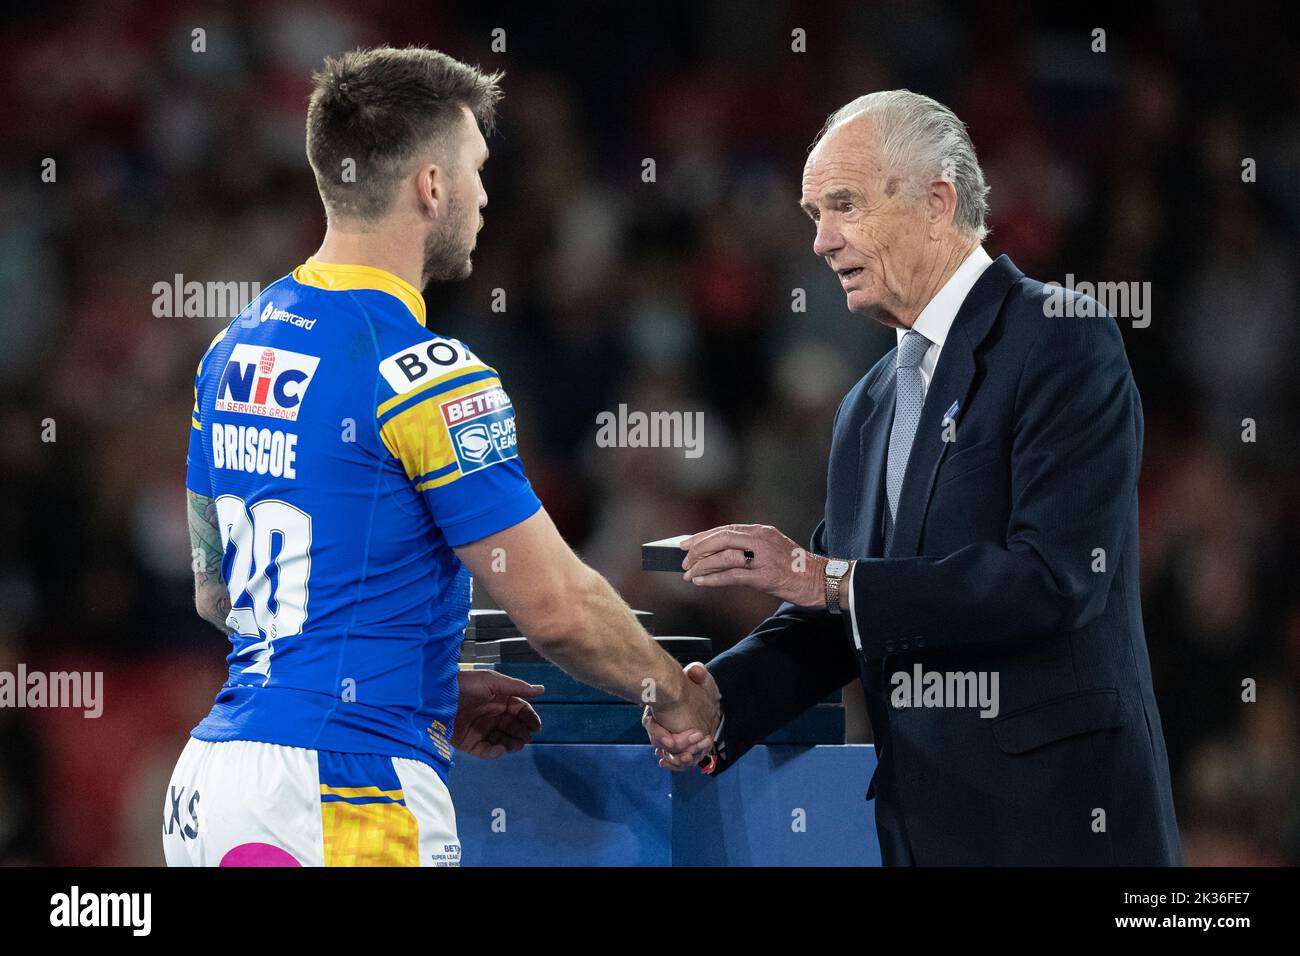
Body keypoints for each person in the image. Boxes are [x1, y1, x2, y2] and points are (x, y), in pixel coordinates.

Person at [168, 46, 717, 867]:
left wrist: (419, 684)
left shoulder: (231, 351)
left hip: (215, 787)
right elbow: (557, 609)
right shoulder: (427, 379)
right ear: (431, 184)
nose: (487, 195)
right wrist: (676, 696)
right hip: (346, 795)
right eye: (477, 169)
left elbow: (221, 593)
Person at [644, 90, 1181, 866]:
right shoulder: (867, 405)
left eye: (844, 205)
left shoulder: (1060, 339)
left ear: (938, 202)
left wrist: (823, 577)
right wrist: (716, 698)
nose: (823, 242)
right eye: (812, 215)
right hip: (922, 833)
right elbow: (845, 613)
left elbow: (1056, 578)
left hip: (1060, 827)